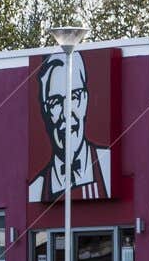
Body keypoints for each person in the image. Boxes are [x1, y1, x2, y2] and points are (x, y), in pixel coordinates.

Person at [28, 51, 112, 201]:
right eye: (55, 102)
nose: (66, 114)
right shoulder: (36, 189)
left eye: (74, 97)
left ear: (85, 100)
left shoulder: (108, 167)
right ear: (46, 110)